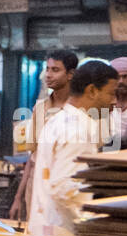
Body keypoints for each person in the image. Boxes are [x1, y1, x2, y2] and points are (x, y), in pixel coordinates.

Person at [25, 60, 118, 236]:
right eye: (111, 94)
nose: (114, 101)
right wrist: (94, 218)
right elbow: (64, 188)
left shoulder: (58, 120)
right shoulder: (78, 130)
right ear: (92, 91)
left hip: (45, 230)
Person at [10, 49, 78, 220]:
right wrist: (18, 197)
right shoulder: (39, 108)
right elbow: (33, 156)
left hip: (67, 185)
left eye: (55, 70)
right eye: (47, 69)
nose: (48, 75)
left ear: (70, 74)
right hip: (37, 185)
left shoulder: (80, 109)